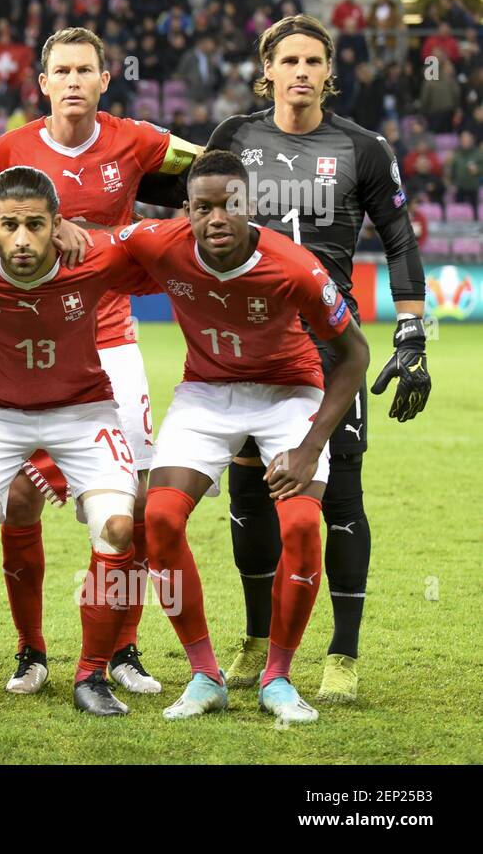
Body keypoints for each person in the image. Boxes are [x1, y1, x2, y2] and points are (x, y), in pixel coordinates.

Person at [206, 14, 429, 702]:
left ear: (330, 72)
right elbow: (187, 209)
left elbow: (399, 238)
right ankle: (253, 638)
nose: (301, 71)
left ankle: (343, 652)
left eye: (314, 61)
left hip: (331, 346)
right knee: (248, 490)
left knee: (342, 491)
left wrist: (412, 335)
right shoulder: (233, 139)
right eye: (288, 60)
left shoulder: (363, 147)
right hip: (247, 341)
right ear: (265, 69)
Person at [0, 26, 201, 697]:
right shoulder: (10, 151)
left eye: (85, 70)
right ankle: (29, 651)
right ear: (41, 83)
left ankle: (121, 647)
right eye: (61, 71)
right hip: (26, 347)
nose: (73, 81)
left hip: (110, 341)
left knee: (124, 505)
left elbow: (219, 170)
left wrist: (114, 234)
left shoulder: (137, 141)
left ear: (106, 79)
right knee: (20, 498)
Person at [112, 150, 370, 722]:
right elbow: (105, 237)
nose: (216, 219)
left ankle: (278, 677)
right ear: (187, 211)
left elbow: (355, 355)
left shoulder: (295, 266)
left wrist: (308, 449)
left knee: (301, 524)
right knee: (158, 520)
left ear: (250, 205)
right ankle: (205, 674)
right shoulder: (160, 241)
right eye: (202, 208)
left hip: (288, 392)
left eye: (230, 205)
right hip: (206, 392)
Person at [0, 166, 160, 717]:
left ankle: (92, 675)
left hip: (83, 411)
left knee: (119, 526)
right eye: (9, 225)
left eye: (36, 225)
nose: (23, 239)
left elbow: (161, 248)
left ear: (59, 225)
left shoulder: (94, 257)